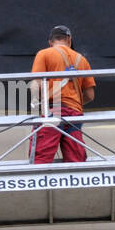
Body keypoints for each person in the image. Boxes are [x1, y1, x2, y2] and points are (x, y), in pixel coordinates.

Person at [29, 25, 95, 164]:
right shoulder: (82, 60)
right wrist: (72, 103)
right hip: (75, 114)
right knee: (76, 160)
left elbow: (37, 84)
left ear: (50, 42)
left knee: (41, 159)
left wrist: (37, 101)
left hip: (53, 110)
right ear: (69, 40)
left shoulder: (44, 54)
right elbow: (90, 95)